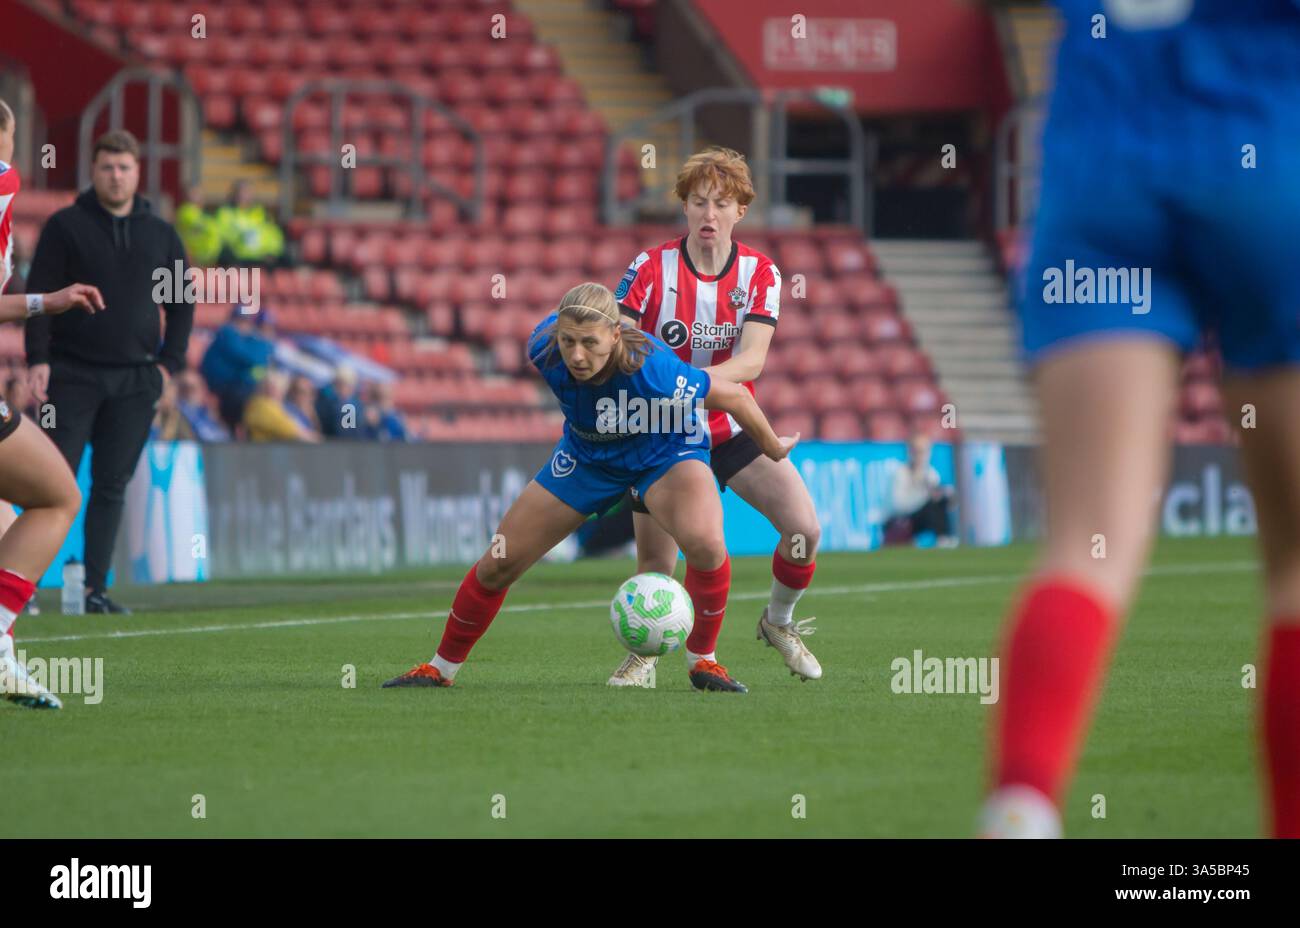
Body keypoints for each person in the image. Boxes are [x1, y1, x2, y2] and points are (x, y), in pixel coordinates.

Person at [981, 2, 1300, 838]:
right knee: (1297, 569)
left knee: (1086, 545)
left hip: (1103, 171)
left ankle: (1022, 804)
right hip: (1267, 146)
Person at [382, 282, 798, 692]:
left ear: (616, 335)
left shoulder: (653, 367)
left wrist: (772, 447)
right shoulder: (543, 348)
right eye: (569, 341)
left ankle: (703, 662)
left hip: (665, 450)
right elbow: (564, 347)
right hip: (589, 457)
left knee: (706, 545)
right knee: (498, 562)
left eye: (590, 343)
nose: (577, 356)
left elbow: (736, 398)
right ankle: (440, 669)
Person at [608, 147, 822, 688]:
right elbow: (617, 342)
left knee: (803, 531)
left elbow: (753, 359)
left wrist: (691, 387)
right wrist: (659, 389)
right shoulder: (649, 268)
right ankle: (645, 658)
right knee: (658, 569)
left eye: (721, 204)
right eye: (698, 201)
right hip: (658, 432)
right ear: (682, 206)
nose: (708, 214)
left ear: (740, 211)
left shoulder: (761, 273)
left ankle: (778, 622)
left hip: (729, 427)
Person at [23, 128, 195, 615]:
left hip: (137, 379)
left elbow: (182, 303)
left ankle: (95, 590)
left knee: (112, 484)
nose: (115, 176)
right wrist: (38, 359)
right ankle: (24, 587)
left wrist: (169, 366)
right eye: (106, 167)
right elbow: (38, 294)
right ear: (93, 172)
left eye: (124, 168)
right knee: (52, 480)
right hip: (71, 374)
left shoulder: (160, 233)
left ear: (138, 173)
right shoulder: (66, 226)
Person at [0, 96, 108, 705]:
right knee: (59, 495)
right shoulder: (4, 182)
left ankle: (5, 660)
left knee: (6, 519)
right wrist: (51, 300)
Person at [199, 304, 275, 431]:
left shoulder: (247, 339)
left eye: (246, 321)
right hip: (224, 389)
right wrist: (264, 345)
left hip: (236, 389)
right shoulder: (228, 333)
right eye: (239, 320)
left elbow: (260, 362)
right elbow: (249, 357)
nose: (242, 325)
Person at [886, 432, 956, 547]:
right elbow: (897, 505)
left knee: (940, 501)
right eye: (916, 451)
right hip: (903, 520)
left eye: (923, 451)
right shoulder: (900, 473)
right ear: (910, 452)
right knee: (932, 503)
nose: (920, 455)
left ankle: (944, 538)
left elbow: (945, 504)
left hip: (922, 518)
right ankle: (943, 538)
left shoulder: (931, 474)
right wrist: (924, 497)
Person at [215, 180, 285, 267]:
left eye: (247, 192)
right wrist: (239, 240)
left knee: (287, 261)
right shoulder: (225, 213)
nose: (243, 196)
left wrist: (272, 252)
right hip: (237, 259)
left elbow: (273, 235)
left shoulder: (261, 214)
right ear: (233, 194)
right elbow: (221, 236)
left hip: (261, 258)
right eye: (241, 192)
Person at [243, 368, 320, 442]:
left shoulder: (285, 408)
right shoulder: (261, 405)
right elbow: (290, 430)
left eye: (277, 387)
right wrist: (312, 437)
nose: (271, 391)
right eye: (269, 387)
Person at [174, 370, 231, 441]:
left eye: (192, 389)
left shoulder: (207, 414)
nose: (189, 393)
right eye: (185, 388)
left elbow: (223, 437)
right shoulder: (177, 415)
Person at [175, 184, 222, 266]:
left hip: (207, 259)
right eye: (194, 194)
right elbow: (200, 226)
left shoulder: (201, 213)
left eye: (199, 194)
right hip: (193, 258)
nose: (198, 197)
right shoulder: (186, 211)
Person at [315, 365, 362, 439]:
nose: (343, 388)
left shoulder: (358, 406)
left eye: (346, 384)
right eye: (339, 384)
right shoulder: (325, 404)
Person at [149, 372, 195, 442]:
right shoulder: (146, 414)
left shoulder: (177, 416)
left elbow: (190, 444)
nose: (169, 394)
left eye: (171, 388)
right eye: (166, 388)